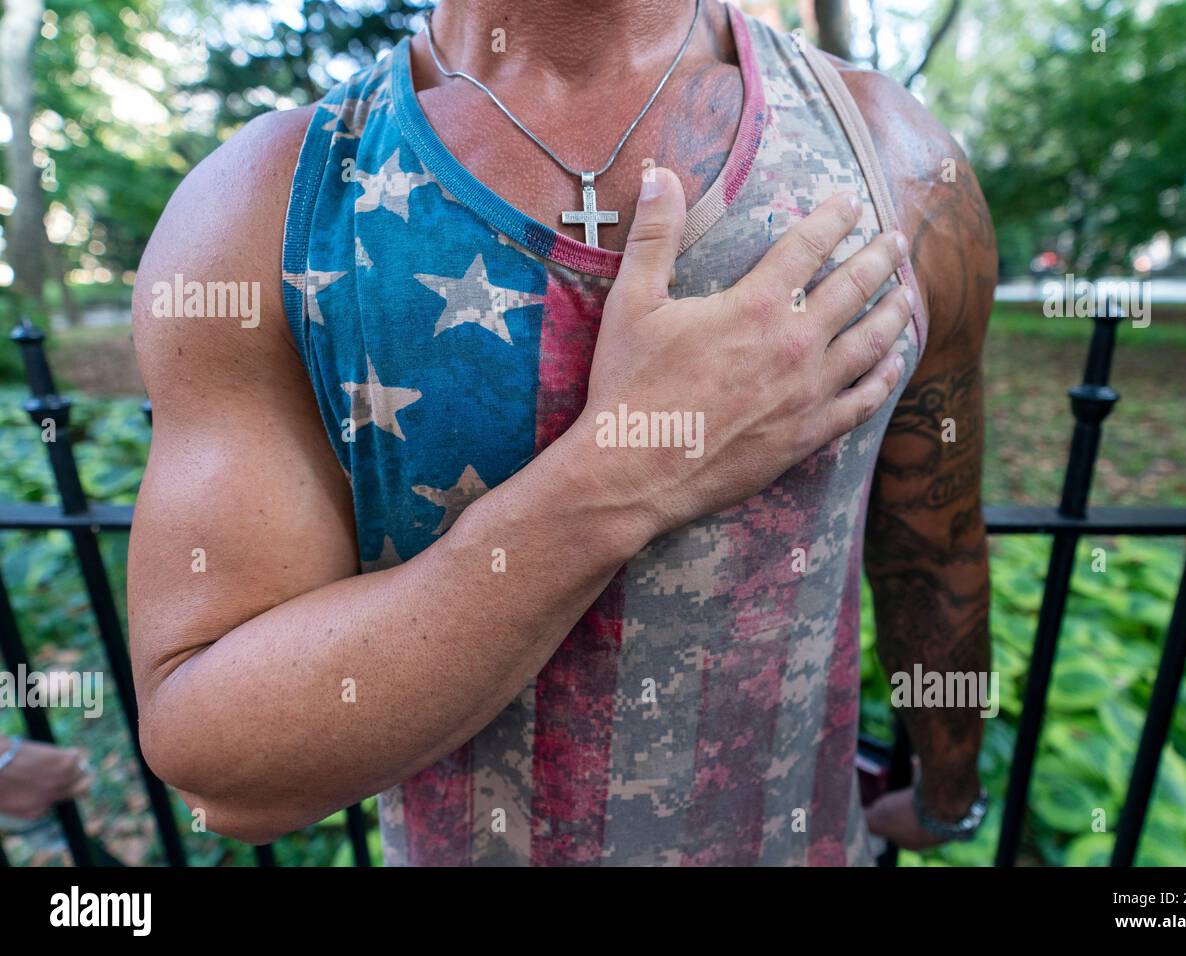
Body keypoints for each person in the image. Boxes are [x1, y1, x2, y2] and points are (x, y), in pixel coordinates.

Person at [127, 0, 996, 865]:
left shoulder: (892, 154)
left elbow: (933, 551)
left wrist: (950, 795)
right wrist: (626, 473)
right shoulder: (269, 204)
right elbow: (217, 763)